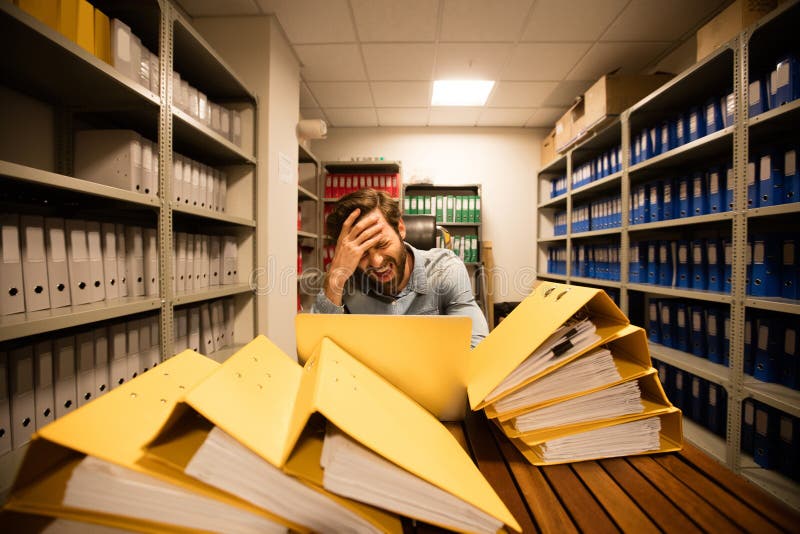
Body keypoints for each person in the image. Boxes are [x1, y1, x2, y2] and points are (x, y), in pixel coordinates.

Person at [312, 188, 489, 348]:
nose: (376, 262)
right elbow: (314, 356)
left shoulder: (444, 269)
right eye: (363, 253)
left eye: (382, 244)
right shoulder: (344, 281)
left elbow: (476, 348)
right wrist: (335, 276)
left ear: (401, 229)